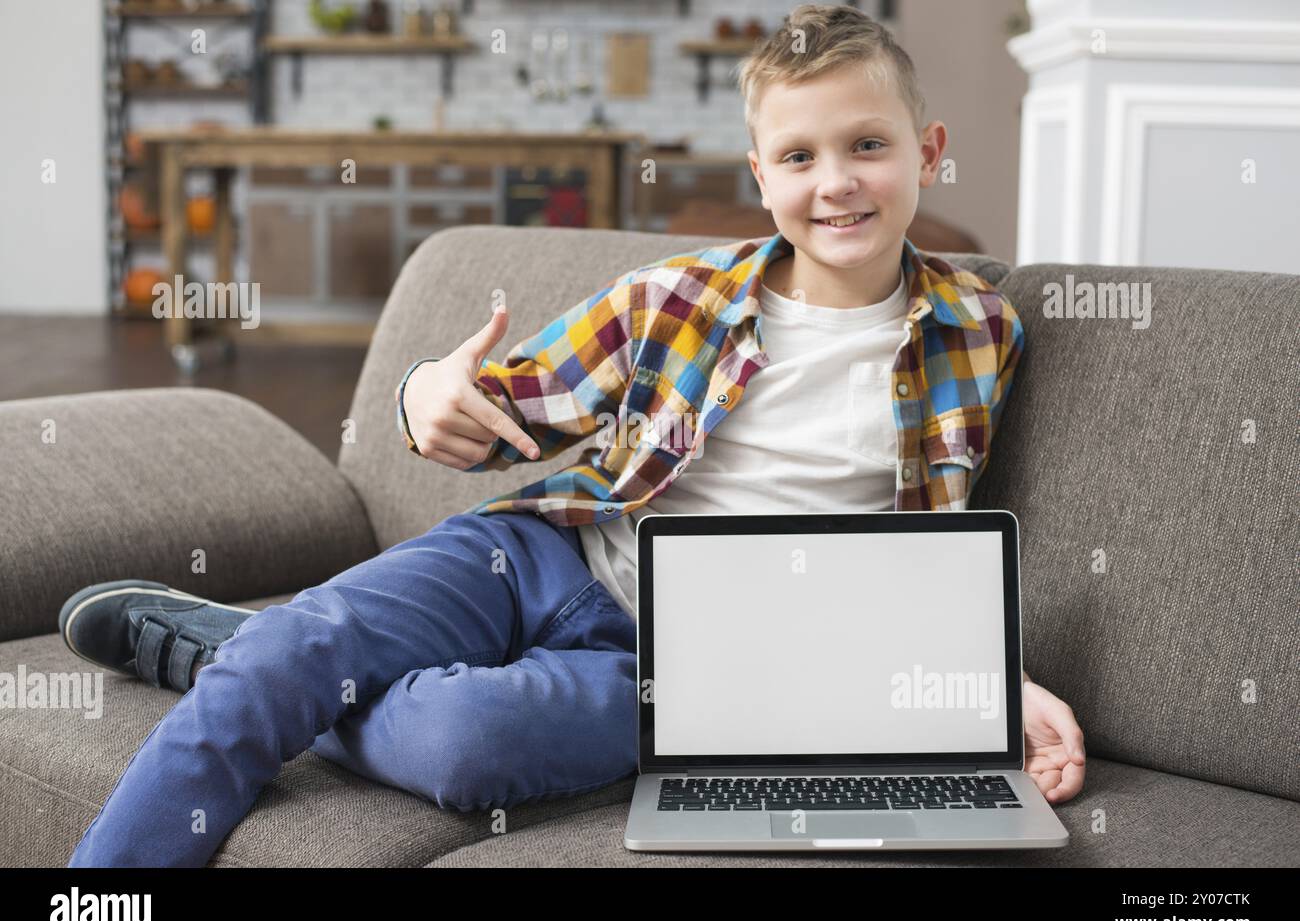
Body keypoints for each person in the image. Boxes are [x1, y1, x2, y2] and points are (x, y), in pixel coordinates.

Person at [66, 4, 1084, 867]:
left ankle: (246, 656)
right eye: (799, 155)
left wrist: (998, 686)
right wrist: (422, 392)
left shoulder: (979, 333)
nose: (836, 182)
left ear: (928, 153)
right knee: (307, 648)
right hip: (539, 556)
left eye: (868, 144)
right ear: (761, 177)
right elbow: (503, 403)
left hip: (688, 673)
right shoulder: (675, 298)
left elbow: (926, 562)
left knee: (469, 744)